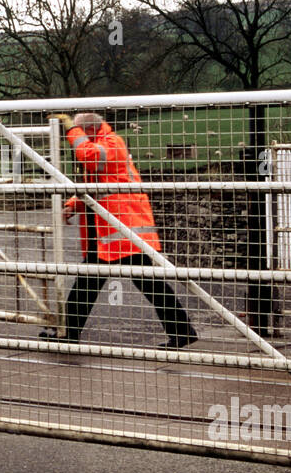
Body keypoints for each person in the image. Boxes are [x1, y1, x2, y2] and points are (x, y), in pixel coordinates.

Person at [40, 112, 198, 348]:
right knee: (89, 285)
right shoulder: (108, 145)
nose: (76, 139)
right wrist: (73, 204)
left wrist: (72, 129)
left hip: (125, 232)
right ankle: (69, 334)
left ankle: (183, 332)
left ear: (89, 131)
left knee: (147, 285)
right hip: (115, 233)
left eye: (81, 134)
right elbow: (96, 188)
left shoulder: (111, 144)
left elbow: (90, 157)